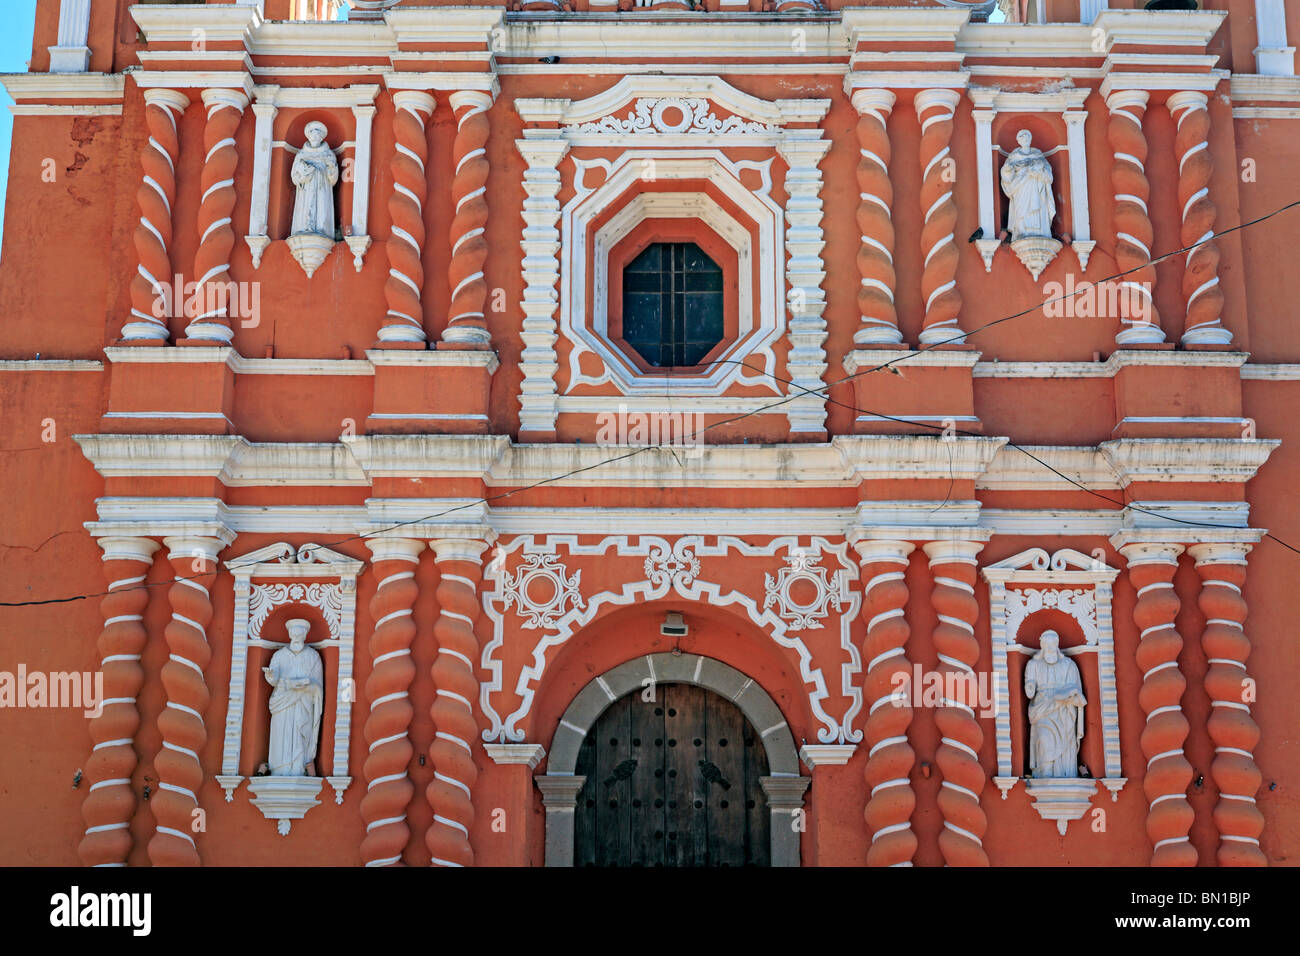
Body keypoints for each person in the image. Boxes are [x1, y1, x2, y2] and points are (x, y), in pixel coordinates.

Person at [264, 619, 324, 777]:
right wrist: (271, 676)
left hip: (303, 703)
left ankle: (299, 768)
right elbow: (274, 677)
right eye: (294, 633)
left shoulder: (313, 656)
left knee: (299, 736)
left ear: (305, 635)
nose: (296, 636)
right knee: (280, 735)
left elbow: (319, 686)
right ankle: (278, 769)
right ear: (289, 634)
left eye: (300, 634)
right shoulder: (279, 655)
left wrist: (306, 686)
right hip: (282, 703)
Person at [1025, 630, 1086, 778]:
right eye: (1047, 643)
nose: (1051, 647)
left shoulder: (1069, 665)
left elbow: (1076, 688)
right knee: (1044, 737)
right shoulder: (1033, 665)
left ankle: (1065, 772)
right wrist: (1030, 687)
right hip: (1042, 708)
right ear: (1042, 645)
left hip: (1064, 709)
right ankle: (1045, 773)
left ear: (1057, 645)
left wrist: (1070, 696)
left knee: (1066, 740)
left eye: (1053, 643)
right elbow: (1029, 689)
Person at [1000, 129, 1056, 240]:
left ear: (1030, 139)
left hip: (1037, 189)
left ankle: (1041, 231)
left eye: (1027, 136)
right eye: (1022, 136)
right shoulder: (1013, 157)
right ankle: (1021, 231)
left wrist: (1037, 172)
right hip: (1020, 189)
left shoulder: (1038, 156)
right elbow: (1007, 177)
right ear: (1018, 140)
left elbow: (1048, 175)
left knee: (1038, 211)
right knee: (1022, 212)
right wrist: (1007, 170)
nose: (1025, 138)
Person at [290, 121, 338, 239]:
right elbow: (294, 176)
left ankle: (322, 229)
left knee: (321, 209)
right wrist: (303, 174)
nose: (315, 137)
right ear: (309, 136)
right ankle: (304, 227)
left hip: (322, 187)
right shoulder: (301, 154)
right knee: (306, 210)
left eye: (317, 135)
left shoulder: (328, 154)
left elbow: (333, 178)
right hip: (306, 189)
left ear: (321, 137)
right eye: (312, 135)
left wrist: (330, 168)